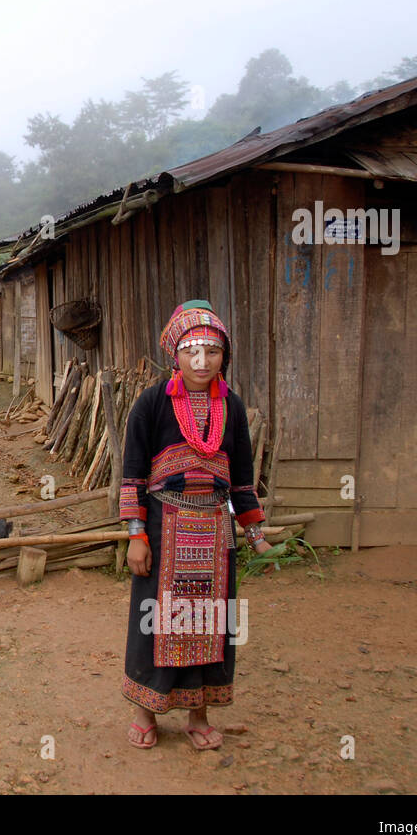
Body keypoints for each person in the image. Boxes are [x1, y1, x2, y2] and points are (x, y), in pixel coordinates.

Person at [119, 300, 271, 751]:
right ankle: (145, 710)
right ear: (175, 355)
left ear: (224, 356)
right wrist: (136, 536)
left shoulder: (234, 408)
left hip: (214, 536)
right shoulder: (151, 403)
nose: (202, 362)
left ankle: (197, 717)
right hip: (164, 529)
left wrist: (257, 537)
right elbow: (132, 474)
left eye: (212, 351)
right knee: (155, 621)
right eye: (192, 351)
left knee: (209, 623)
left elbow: (242, 478)